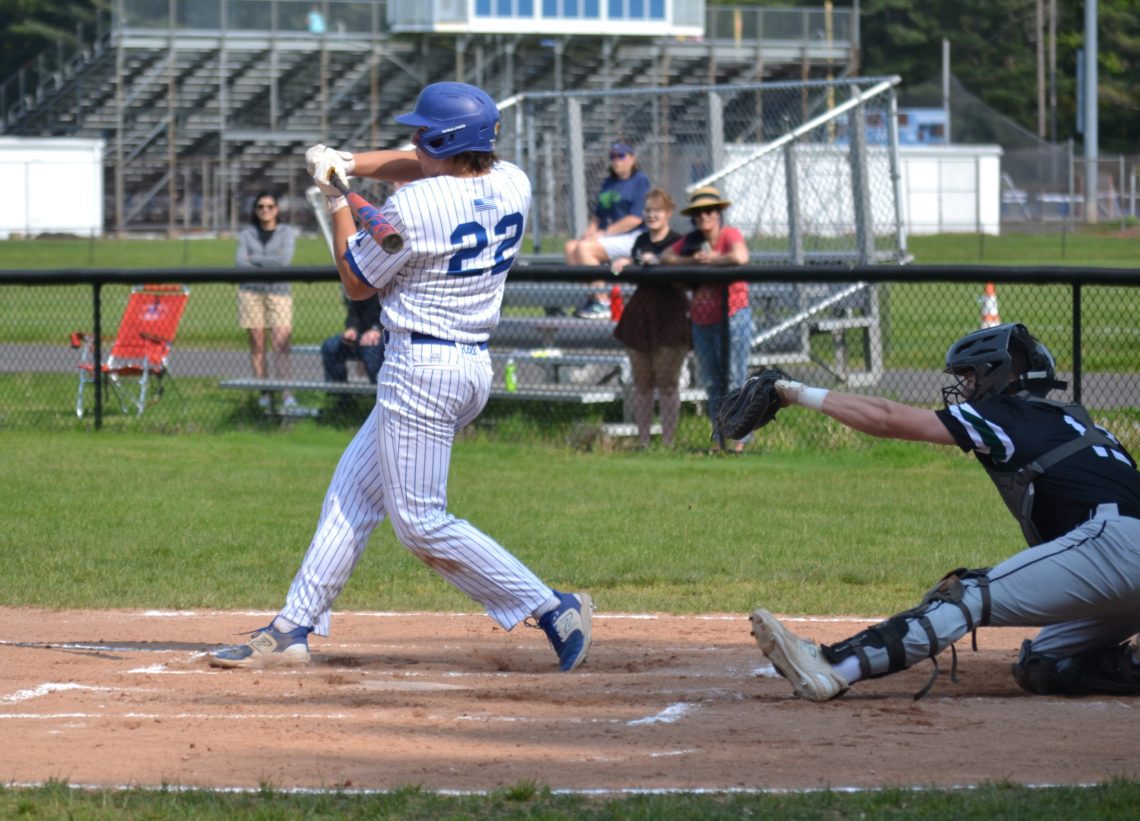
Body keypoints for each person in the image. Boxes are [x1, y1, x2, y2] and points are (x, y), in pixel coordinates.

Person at [210, 81, 592, 673]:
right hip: (467, 365)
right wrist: (347, 163)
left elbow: (357, 282)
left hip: (422, 370)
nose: (414, 140)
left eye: (424, 133)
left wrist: (337, 202)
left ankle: (550, 607)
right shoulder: (513, 181)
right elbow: (422, 164)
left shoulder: (414, 207)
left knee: (419, 524)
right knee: (352, 492)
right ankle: (294, 626)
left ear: (447, 141)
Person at [750, 322, 1140, 702]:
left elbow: (886, 418)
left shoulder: (1005, 415)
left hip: (1115, 544)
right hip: (1120, 552)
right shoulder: (1082, 423)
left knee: (965, 595)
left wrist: (793, 393)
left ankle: (834, 666)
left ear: (1000, 377)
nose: (964, 388)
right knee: (1045, 664)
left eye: (971, 377)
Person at [660, 185, 751, 451]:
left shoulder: (729, 235)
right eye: (698, 213)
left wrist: (712, 259)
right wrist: (691, 261)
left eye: (709, 211)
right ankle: (719, 437)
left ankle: (739, 441)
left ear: (719, 213)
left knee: (735, 378)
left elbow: (741, 256)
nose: (704, 218)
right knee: (712, 382)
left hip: (733, 316)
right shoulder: (690, 242)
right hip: (702, 319)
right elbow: (666, 257)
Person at [610, 188, 689, 448]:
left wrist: (660, 262)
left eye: (657, 210)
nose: (651, 215)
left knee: (668, 384)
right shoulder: (640, 240)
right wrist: (626, 263)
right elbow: (632, 269)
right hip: (640, 319)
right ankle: (643, 441)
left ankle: (668, 441)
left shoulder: (679, 241)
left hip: (670, 319)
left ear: (668, 213)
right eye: (648, 210)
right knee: (641, 384)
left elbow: (684, 279)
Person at [563, 140, 650, 319]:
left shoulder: (640, 180)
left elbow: (635, 218)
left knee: (585, 248)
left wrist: (604, 233)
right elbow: (598, 215)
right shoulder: (609, 182)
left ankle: (603, 302)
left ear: (632, 158)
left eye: (622, 156)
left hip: (635, 237)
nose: (617, 160)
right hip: (613, 237)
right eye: (613, 157)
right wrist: (591, 231)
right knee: (571, 246)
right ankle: (591, 298)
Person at [235, 191, 297, 410]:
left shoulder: (286, 232)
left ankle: (286, 394)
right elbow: (240, 263)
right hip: (250, 292)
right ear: (255, 210)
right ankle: (264, 393)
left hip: (278, 291)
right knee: (257, 345)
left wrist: (256, 260)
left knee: (280, 345)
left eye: (270, 206)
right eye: (261, 206)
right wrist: (269, 261)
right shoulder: (247, 234)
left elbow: (284, 261)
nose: (265, 210)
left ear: (277, 210)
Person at [320, 290, 384, 385]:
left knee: (371, 351)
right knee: (330, 347)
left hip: (384, 335)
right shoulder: (363, 285)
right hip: (361, 336)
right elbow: (354, 312)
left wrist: (377, 329)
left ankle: (377, 394)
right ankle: (340, 396)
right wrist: (352, 328)